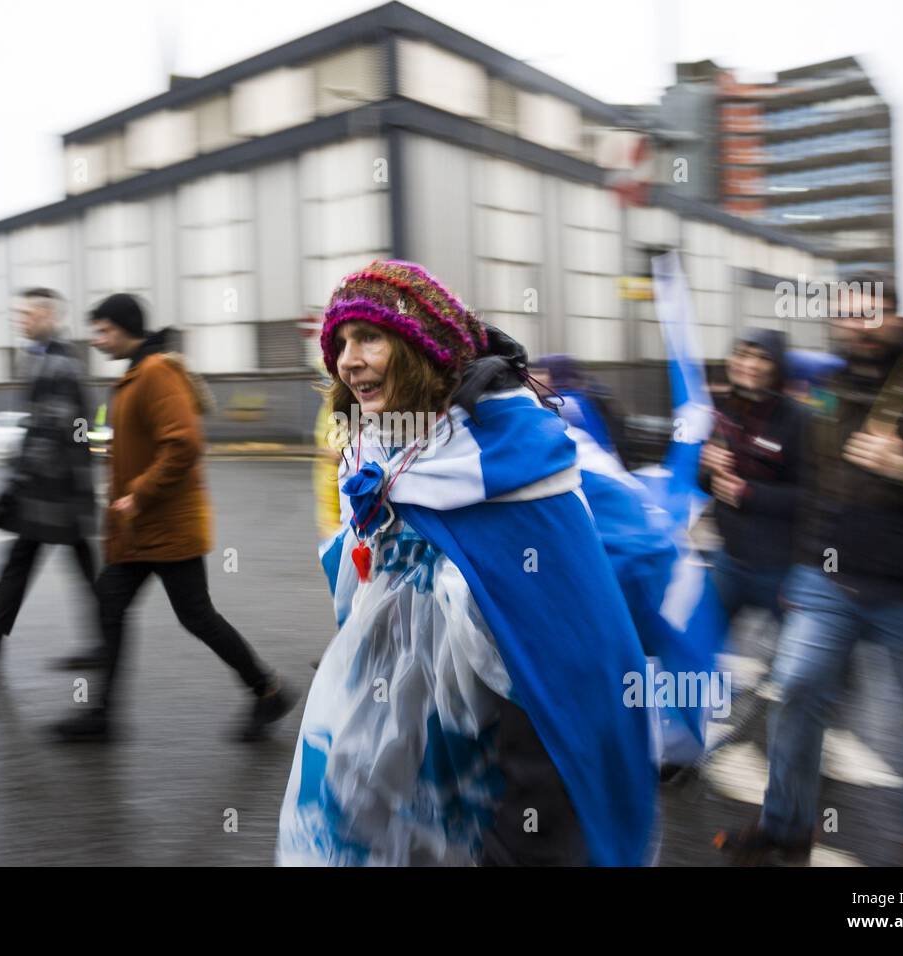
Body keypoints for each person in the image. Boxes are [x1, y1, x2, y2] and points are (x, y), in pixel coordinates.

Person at [278, 260, 658, 866]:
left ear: (420, 348)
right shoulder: (384, 453)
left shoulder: (512, 467)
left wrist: (523, 837)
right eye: (340, 344)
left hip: (498, 788)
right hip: (392, 750)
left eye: (369, 337)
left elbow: (562, 660)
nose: (348, 360)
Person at [719, 277, 903, 866]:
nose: (856, 324)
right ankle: (786, 826)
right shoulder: (831, 387)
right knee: (794, 688)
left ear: (895, 316)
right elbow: (819, 490)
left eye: (869, 313)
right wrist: (800, 569)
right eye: (845, 314)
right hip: (829, 582)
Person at [53, 293, 297, 741]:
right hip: (141, 530)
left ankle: (268, 690)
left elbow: (183, 443)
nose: (97, 339)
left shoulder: (155, 374)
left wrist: (138, 494)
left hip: (165, 526)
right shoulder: (133, 376)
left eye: (104, 329)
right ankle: (102, 716)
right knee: (112, 603)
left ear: (127, 328)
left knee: (196, 615)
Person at [0, 289, 99, 667]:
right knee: (30, 563)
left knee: (50, 566)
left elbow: (66, 424)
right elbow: (65, 424)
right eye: (19, 314)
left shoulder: (60, 363)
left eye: (27, 314)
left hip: (55, 490)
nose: (20, 320)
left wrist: (30, 473)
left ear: (48, 315)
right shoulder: (41, 359)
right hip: (54, 489)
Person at [698, 328, 805, 625]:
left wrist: (748, 494)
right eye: (742, 355)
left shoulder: (799, 419)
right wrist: (707, 468)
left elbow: (815, 498)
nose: (749, 365)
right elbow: (706, 483)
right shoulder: (725, 412)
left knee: (799, 666)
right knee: (701, 642)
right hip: (729, 557)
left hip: (783, 566)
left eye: (762, 358)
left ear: (777, 367)